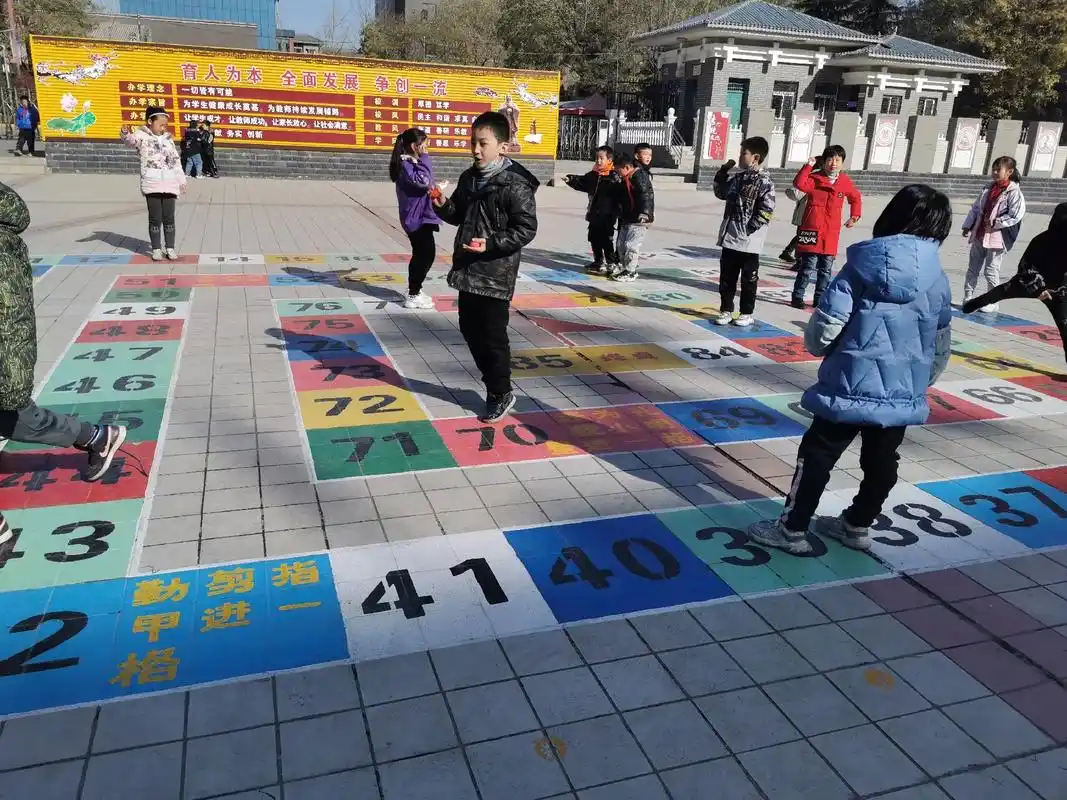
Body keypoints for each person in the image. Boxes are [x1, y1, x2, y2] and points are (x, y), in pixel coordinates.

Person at [747, 184, 953, 553]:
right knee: (882, 461)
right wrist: (920, 381)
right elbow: (940, 340)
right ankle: (857, 524)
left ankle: (792, 529)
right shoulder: (939, 277)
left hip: (847, 383)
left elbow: (829, 321)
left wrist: (816, 347)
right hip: (902, 392)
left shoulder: (862, 265)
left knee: (817, 456)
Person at [0, 180, 128, 560]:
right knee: (16, 419)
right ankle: (97, 437)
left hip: (5, 352)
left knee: (14, 413)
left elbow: (9, 318)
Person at [432, 111, 538, 423]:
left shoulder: (515, 185)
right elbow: (458, 214)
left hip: (496, 273)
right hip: (468, 269)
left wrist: (490, 244)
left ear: (503, 147)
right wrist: (441, 204)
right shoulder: (469, 178)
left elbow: (526, 229)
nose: (475, 150)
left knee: (493, 336)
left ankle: (500, 392)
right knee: (468, 329)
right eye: (472, 143)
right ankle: (495, 385)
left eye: (483, 143)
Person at [962, 202, 1067, 361]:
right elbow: (1026, 265)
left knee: (1065, 326)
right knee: (1000, 292)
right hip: (1032, 282)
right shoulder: (1042, 240)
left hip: (1059, 291)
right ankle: (972, 304)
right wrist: (1039, 289)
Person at [713, 137, 776, 327]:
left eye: (743, 153)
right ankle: (726, 310)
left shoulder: (765, 182)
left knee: (749, 279)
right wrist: (722, 173)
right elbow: (721, 193)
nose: (740, 156)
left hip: (749, 243)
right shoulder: (738, 178)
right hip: (730, 239)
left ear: (755, 157)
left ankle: (746, 312)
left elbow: (767, 210)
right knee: (727, 278)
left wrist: (749, 228)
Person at [790, 145, 862, 309]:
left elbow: (855, 198)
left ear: (843, 163)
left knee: (825, 270)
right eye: (830, 159)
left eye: (837, 160)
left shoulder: (844, 182)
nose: (833, 163)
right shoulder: (814, 179)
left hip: (831, 232)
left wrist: (854, 216)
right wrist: (808, 165)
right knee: (807, 267)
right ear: (824, 162)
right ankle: (797, 296)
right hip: (811, 229)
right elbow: (799, 184)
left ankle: (820, 299)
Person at [121, 106, 186, 261]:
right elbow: (131, 142)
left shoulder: (168, 140)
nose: (163, 128)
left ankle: (170, 248)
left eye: (165, 125)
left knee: (169, 218)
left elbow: (176, 162)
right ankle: (156, 249)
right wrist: (125, 134)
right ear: (150, 121)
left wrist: (181, 180)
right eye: (161, 124)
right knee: (155, 219)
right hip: (152, 184)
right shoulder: (141, 136)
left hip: (170, 184)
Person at [961, 155, 1025, 313]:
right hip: (980, 233)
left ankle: (993, 301)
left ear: (1009, 171)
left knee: (991, 270)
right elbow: (976, 208)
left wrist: (997, 222)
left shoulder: (1014, 192)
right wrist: (968, 225)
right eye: (994, 169)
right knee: (973, 267)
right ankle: (968, 297)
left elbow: (1016, 215)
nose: (995, 172)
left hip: (997, 237)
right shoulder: (987, 188)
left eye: (999, 169)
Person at [390, 127, 442, 310]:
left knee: (426, 253)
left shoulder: (412, 162)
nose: (427, 147)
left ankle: (416, 289)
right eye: (424, 144)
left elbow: (426, 184)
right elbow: (423, 182)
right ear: (414, 145)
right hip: (415, 218)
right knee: (424, 254)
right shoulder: (406, 164)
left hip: (422, 215)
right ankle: (413, 294)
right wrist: (425, 160)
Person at [563, 145, 620, 274]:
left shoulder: (614, 176)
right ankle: (598, 261)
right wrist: (571, 179)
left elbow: (621, 195)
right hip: (594, 213)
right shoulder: (594, 175)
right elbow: (583, 182)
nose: (598, 161)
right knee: (594, 237)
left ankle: (611, 263)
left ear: (609, 160)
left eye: (601, 158)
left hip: (608, 214)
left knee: (606, 239)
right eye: (597, 158)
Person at [613, 152, 654, 282]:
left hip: (640, 219)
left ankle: (631, 271)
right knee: (621, 245)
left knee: (631, 245)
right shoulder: (626, 178)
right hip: (628, 217)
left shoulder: (639, 176)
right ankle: (624, 268)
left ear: (626, 167)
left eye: (618, 170)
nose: (617, 173)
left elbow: (646, 196)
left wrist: (645, 213)